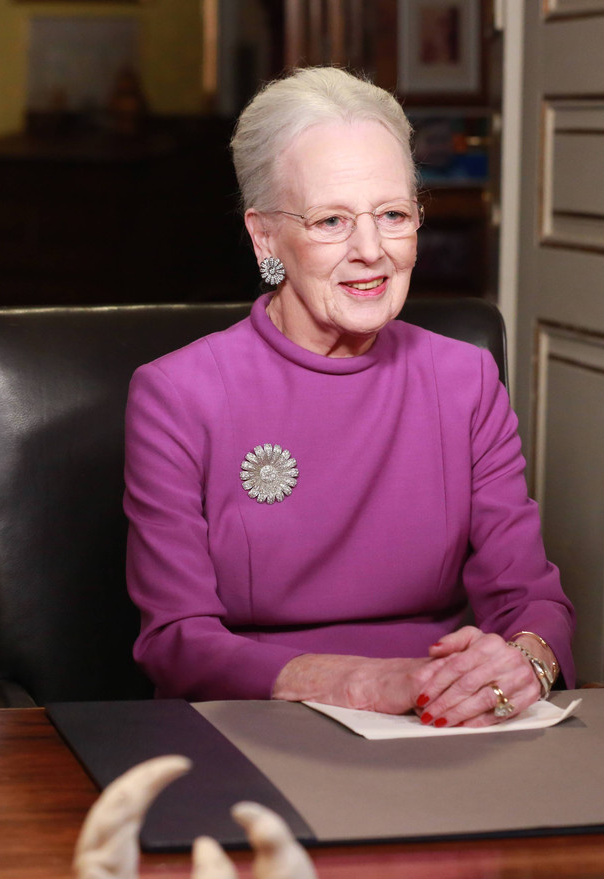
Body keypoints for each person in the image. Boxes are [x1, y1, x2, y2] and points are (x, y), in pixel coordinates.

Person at [123, 67, 574, 728]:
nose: (371, 251)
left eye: (393, 215)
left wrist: (524, 663)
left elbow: (529, 598)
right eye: (332, 220)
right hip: (251, 730)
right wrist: (363, 683)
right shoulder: (178, 394)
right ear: (267, 237)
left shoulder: (465, 380)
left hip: (442, 726)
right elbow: (176, 642)